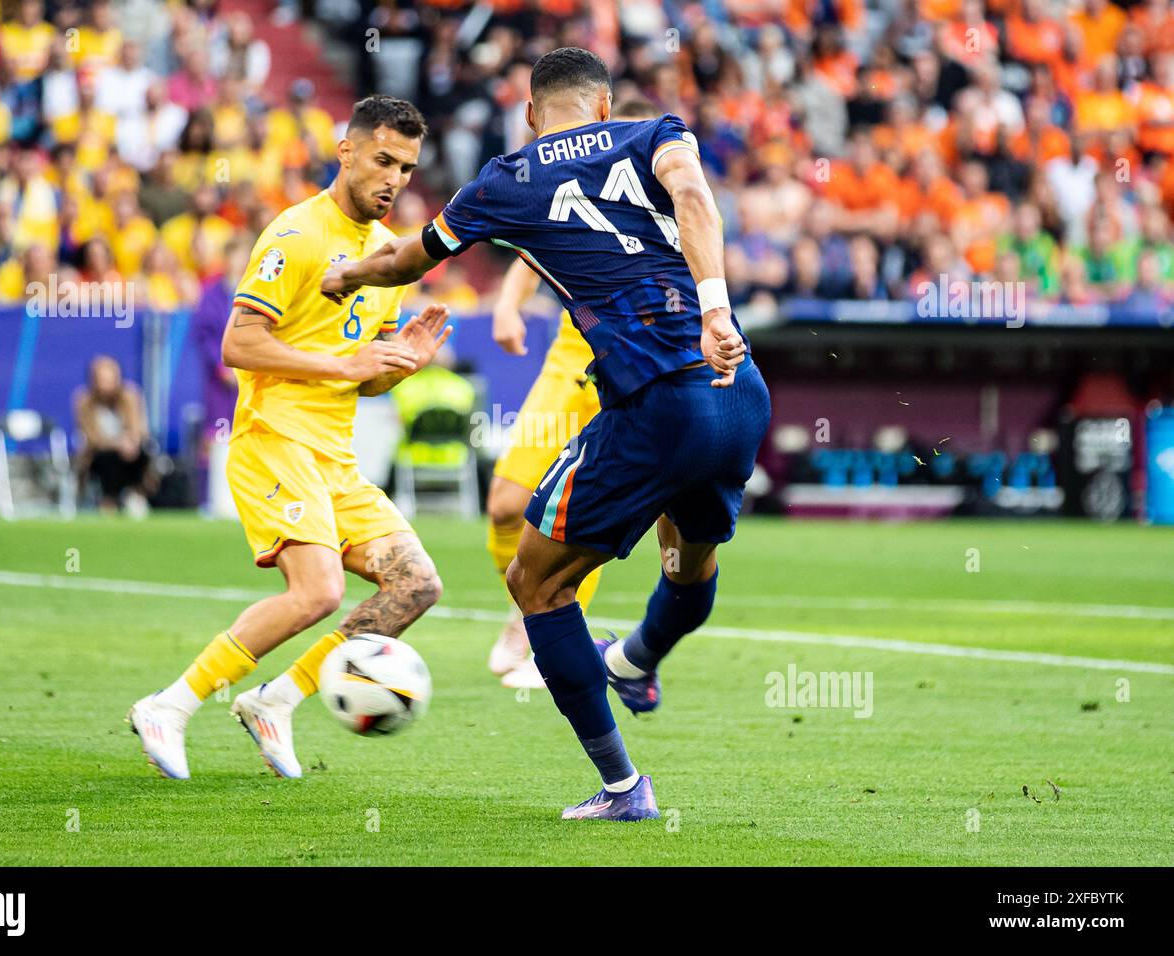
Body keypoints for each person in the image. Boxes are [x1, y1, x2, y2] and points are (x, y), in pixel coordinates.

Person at [322, 50, 768, 821]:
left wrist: (349, 276)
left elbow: (407, 260)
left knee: (535, 583)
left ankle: (625, 789)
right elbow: (694, 195)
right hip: (738, 391)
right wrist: (717, 308)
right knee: (689, 566)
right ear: (602, 106)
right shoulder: (655, 132)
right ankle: (634, 661)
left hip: (657, 406)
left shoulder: (505, 178)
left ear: (531, 114)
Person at [128, 96, 452, 781]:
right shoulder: (297, 234)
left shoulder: (386, 259)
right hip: (273, 438)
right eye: (383, 160)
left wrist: (396, 368)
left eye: (407, 167)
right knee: (317, 591)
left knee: (416, 585)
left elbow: (360, 380)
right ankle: (171, 705)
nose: (393, 178)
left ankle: (275, 700)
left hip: (334, 455)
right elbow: (239, 344)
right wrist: (349, 365)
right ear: (348, 151)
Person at [485, 97, 662, 690]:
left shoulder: (667, 193)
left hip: (631, 371)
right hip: (568, 363)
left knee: (586, 522)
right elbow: (537, 239)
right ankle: (525, 612)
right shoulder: (578, 173)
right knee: (506, 505)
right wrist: (509, 304)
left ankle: (561, 634)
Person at [73, 355, 153, 516]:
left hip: (129, 453)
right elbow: (92, 437)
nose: (108, 384)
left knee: (140, 453)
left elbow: (138, 428)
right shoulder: (84, 401)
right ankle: (108, 500)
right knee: (107, 458)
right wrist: (117, 444)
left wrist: (131, 441)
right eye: (103, 380)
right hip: (99, 454)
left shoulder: (130, 396)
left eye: (111, 379)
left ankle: (135, 495)